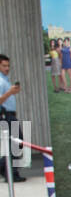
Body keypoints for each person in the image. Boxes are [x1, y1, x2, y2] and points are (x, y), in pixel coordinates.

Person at [0, 54, 26, 183]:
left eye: (8, 65)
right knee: (16, 142)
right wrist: (10, 92)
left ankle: (7, 169)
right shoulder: (0, 81)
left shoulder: (5, 79)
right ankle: (10, 171)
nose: (7, 68)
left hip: (10, 115)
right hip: (6, 115)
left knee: (15, 143)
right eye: (4, 65)